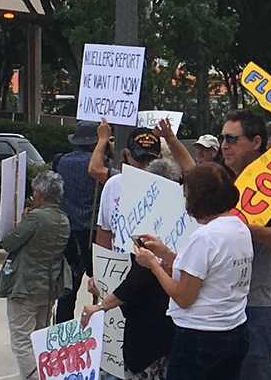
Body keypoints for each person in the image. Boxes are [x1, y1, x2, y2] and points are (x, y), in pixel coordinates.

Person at [134, 162, 254, 380]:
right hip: (234, 327)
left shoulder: (204, 237)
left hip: (200, 334)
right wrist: (167, 254)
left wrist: (153, 265)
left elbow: (183, 297)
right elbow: (206, 271)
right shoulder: (239, 228)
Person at [220, 109, 271, 380]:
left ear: (256, 142)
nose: (224, 145)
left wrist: (245, 229)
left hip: (254, 307)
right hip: (216, 307)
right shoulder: (221, 182)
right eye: (222, 138)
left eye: (232, 139)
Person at [81, 158, 182, 380]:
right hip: (169, 326)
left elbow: (139, 276)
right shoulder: (179, 219)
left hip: (150, 329)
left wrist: (102, 306)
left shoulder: (158, 223)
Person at [0, 171, 71, 380]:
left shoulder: (36, 218)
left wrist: (22, 220)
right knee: (40, 336)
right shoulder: (63, 219)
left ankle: (33, 377)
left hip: (25, 285)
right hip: (49, 285)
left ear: (39, 193)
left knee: (22, 339)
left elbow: (9, 242)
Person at [54, 120, 102, 323]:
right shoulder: (98, 165)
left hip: (68, 230)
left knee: (68, 288)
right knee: (101, 284)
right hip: (93, 231)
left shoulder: (61, 161)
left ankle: (62, 330)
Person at [93, 121, 164, 250]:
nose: (145, 165)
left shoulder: (168, 187)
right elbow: (104, 233)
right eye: (140, 159)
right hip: (120, 259)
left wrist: (172, 140)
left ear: (159, 158)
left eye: (150, 160)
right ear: (127, 155)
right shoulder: (113, 184)